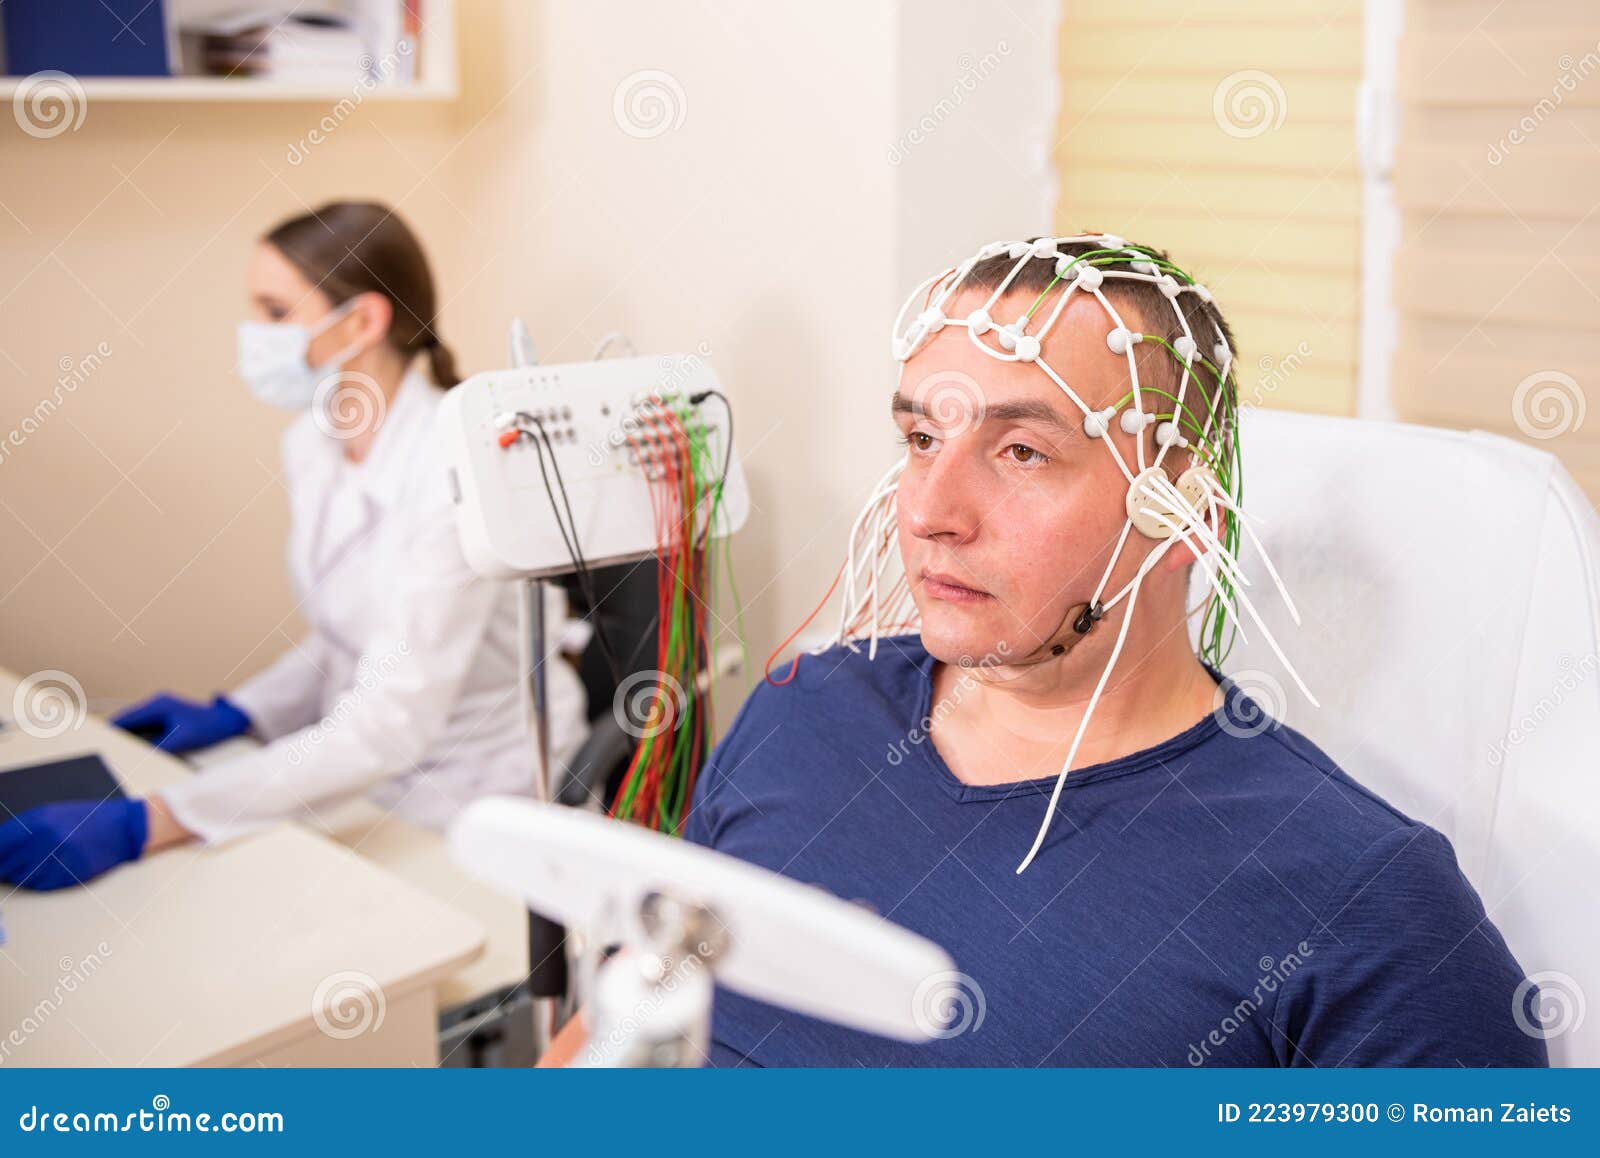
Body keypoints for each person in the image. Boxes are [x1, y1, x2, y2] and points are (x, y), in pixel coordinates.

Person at [543, 235, 1545, 1067]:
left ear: (1182, 506)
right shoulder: (807, 709)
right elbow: (616, 1027)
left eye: (1021, 453)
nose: (930, 512)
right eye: (921, 442)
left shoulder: (1360, 901)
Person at [0, 202, 587, 890]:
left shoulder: (453, 474)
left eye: (276, 314)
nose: (255, 336)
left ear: (363, 322)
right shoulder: (315, 440)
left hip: (465, 792)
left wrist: (153, 819)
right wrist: (243, 709)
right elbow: (349, 637)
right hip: (361, 766)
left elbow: (391, 723)